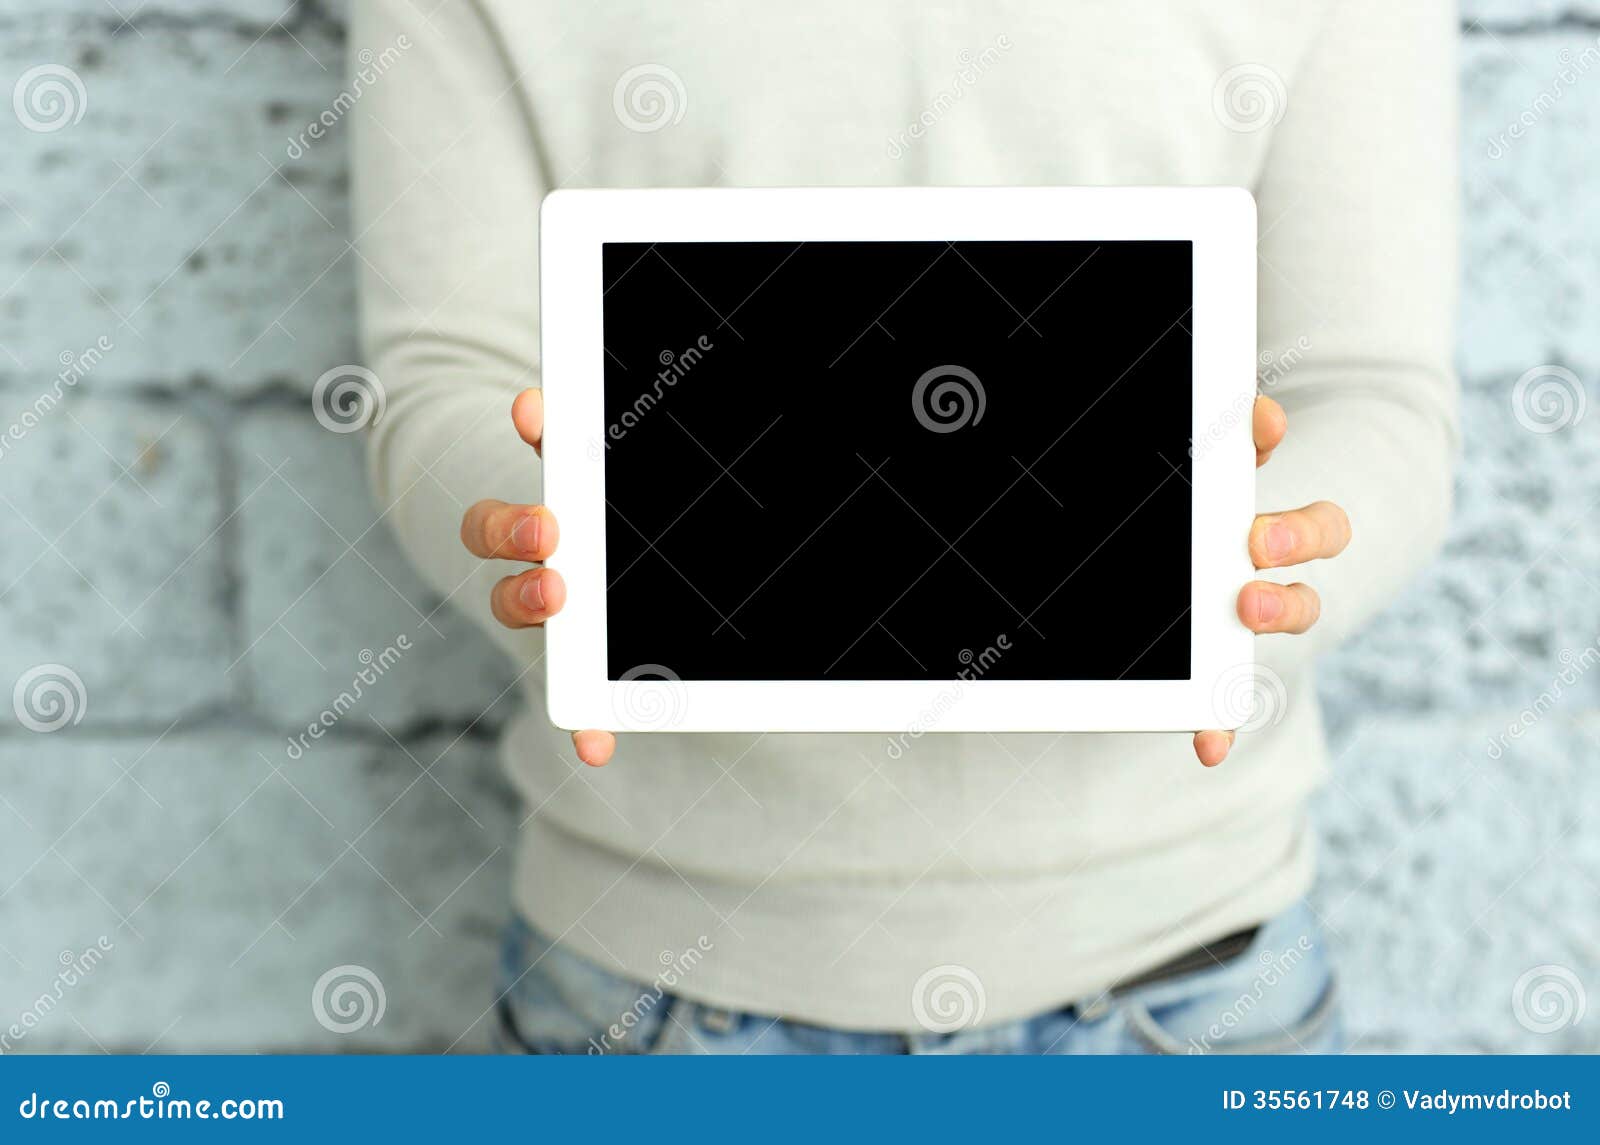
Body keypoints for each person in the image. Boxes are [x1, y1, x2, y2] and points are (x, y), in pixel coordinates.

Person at [351, 0, 1456, 1053]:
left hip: (1189, 976)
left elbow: (1369, 391)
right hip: (647, 985)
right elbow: (449, 374)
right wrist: (545, 544)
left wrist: (1243, 580)